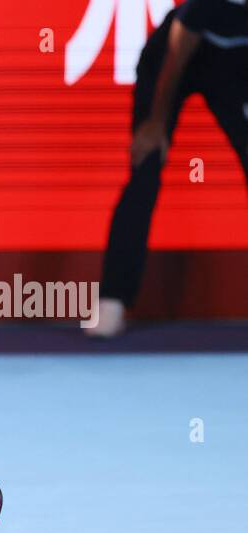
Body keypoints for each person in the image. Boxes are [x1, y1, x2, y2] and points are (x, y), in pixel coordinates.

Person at [90, 0, 248, 337]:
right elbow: (177, 53)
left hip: (235, 68)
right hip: (173, 60)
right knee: (147, 164)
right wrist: (156, 121)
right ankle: (113, 299)